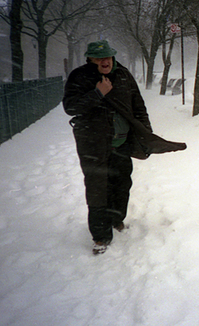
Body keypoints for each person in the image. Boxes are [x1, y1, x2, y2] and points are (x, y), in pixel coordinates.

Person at [63, 40, 186, 255]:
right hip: (93, 145)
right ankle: (100, 236)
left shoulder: (123, 75)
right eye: (99, 58)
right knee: (97, 188)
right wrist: (97, 93)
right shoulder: (80, 76)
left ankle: (116, 219)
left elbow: (138, 105)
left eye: (108, 57)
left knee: (122, 184)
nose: (105, 61)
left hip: (121, 143)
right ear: (90, 59)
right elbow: (70, 107)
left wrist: (144, 132)